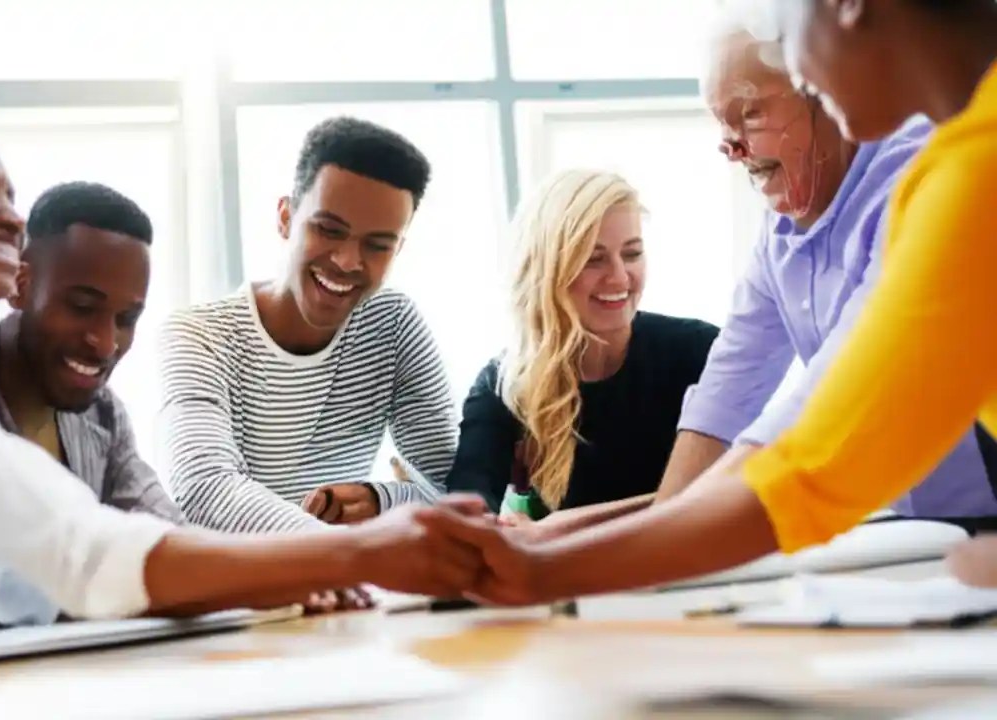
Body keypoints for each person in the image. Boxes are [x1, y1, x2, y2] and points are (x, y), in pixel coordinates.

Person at [0, 81, 492, 718]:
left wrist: (286, 576)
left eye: (9, 193)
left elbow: (39, 571)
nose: (11, 217)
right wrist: (363, 550)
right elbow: (83, 554)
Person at [421, 0, 997, 606]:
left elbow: (823, 440)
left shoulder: (961, 177)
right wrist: (620, 553)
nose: (731, 147)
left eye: (753, 108)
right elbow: (733, 401)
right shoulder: (942, 163)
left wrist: (554, 569)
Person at [654, 17, 997, 519]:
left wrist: (655, 540)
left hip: (978, 512)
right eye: (720, 123)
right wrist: (665, 517)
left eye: (750, 113)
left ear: (820, 90)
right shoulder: (779, 232)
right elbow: (728, 388)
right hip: (901, 522)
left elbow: (837, 394)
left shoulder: (919, 176)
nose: (731, 148)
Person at [160, 117, 458, 533]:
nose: (348, 262)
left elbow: (455, 489)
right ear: (285, 217)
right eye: (328, 230)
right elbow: (204, 491)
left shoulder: (392, 324)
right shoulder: (199, 335)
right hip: (247, 574)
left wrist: (380, 500)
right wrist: (345, 551)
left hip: (347, 571)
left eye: (377, 246)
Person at [0, 181, 183, 629]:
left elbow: (166, 536)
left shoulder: (103, 416)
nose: (105, 343)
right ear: (20, 284)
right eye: (81, 307)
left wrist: (280, 581)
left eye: (126, 319)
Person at [445, 169, 717, 534]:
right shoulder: (505, 383)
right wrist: (503, 528)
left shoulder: (700, 352)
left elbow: (740, 484)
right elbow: (467, 508)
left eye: (632, 253)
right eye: (593, 258)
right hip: (576, 571)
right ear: (546, 268)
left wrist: (561, 527)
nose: (620, 277)